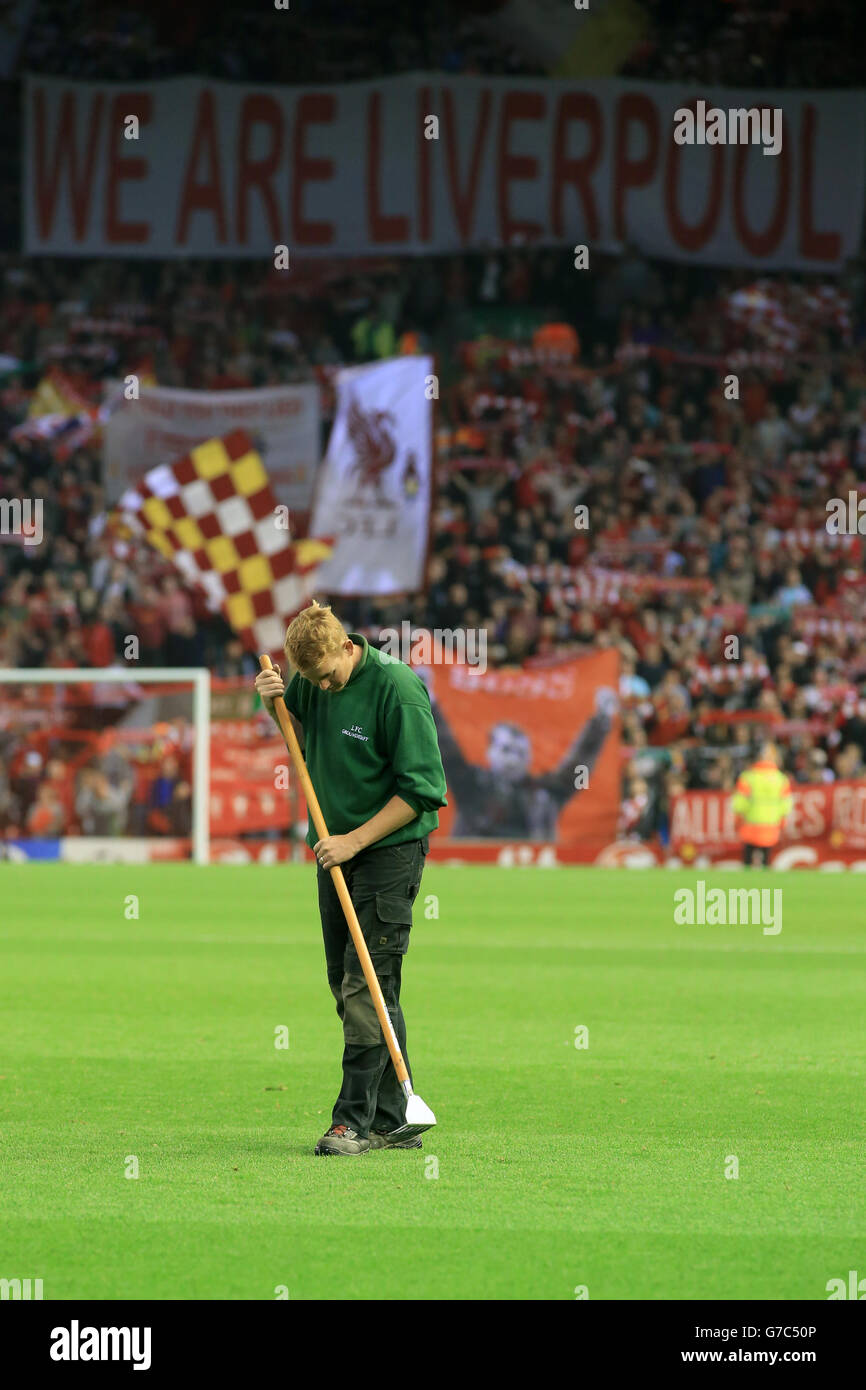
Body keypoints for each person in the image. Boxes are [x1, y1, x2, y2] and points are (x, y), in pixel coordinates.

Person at [254, 601, 447, 1157]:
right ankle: (394, 1118)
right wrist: (275, 704)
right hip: (335, 851)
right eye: (310, 681)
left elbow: (422, 791)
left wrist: (354, 841)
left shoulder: (398, 690)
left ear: (347, 647)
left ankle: (352, 1123)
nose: (323, 688)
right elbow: (298, 729)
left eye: (328, 676)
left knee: (367, 982)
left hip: (386, 851)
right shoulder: (312, 682)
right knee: (350, 985)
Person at [731, 741, 793, 868]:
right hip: (771, 824)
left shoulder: (748, 777)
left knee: (748, 859)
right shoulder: (781, 779)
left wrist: (738, 818)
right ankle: (766, 885)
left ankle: (746, 886)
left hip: (750, 823)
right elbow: (786, 804)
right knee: (766, 859)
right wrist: (783, 819)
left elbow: (740, 802)